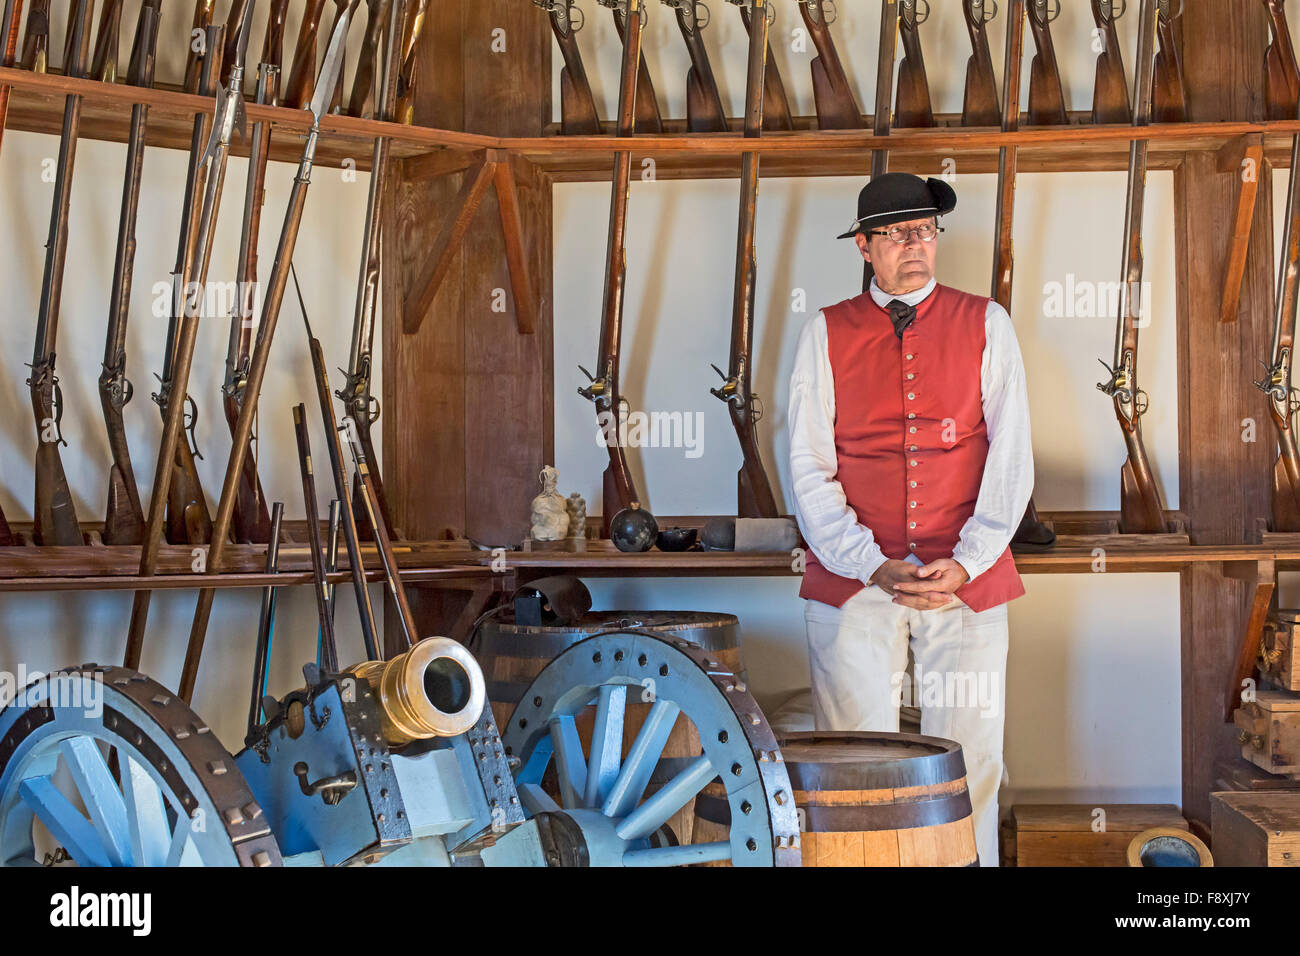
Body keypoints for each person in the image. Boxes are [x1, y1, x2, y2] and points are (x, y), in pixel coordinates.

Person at [787, 172, 1034, 866]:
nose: (913, 246)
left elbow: (1011, 455)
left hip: (967, 581)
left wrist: (969, 559)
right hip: (856, 581)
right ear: (864, 247)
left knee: (970, 763)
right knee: (855, 769)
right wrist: (870, 561)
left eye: (923, 231)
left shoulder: (986, 322)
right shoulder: (826, 331)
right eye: (895, 235)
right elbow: (808, 465)